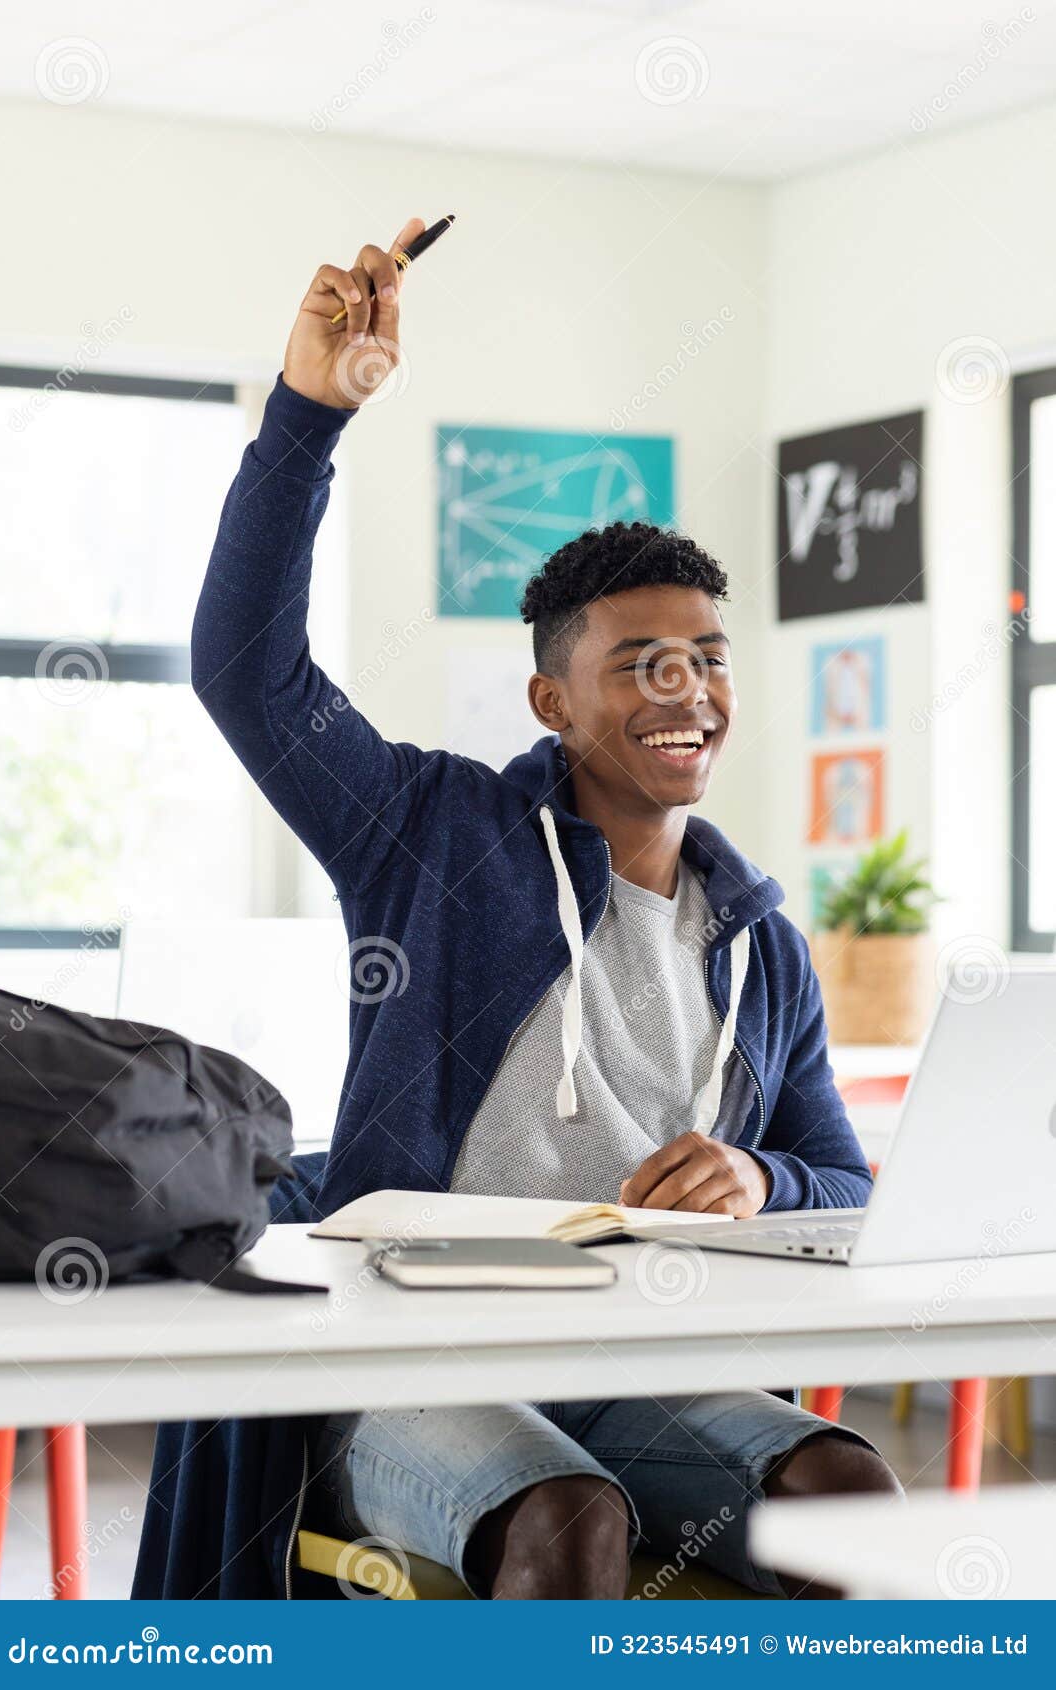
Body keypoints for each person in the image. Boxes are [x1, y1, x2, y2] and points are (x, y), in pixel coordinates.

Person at [189, 218, 899, 1600]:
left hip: (635, 1374)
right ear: (552, 702)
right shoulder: (437, 832)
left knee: (847, 1495)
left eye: (705, 656)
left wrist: (762, 1180)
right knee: (567, 1515)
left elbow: (843, 1185)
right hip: (411, 1373)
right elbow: (245, 673)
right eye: (640, 663)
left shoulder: (761, 942)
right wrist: (308, 417)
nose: (688, 689)